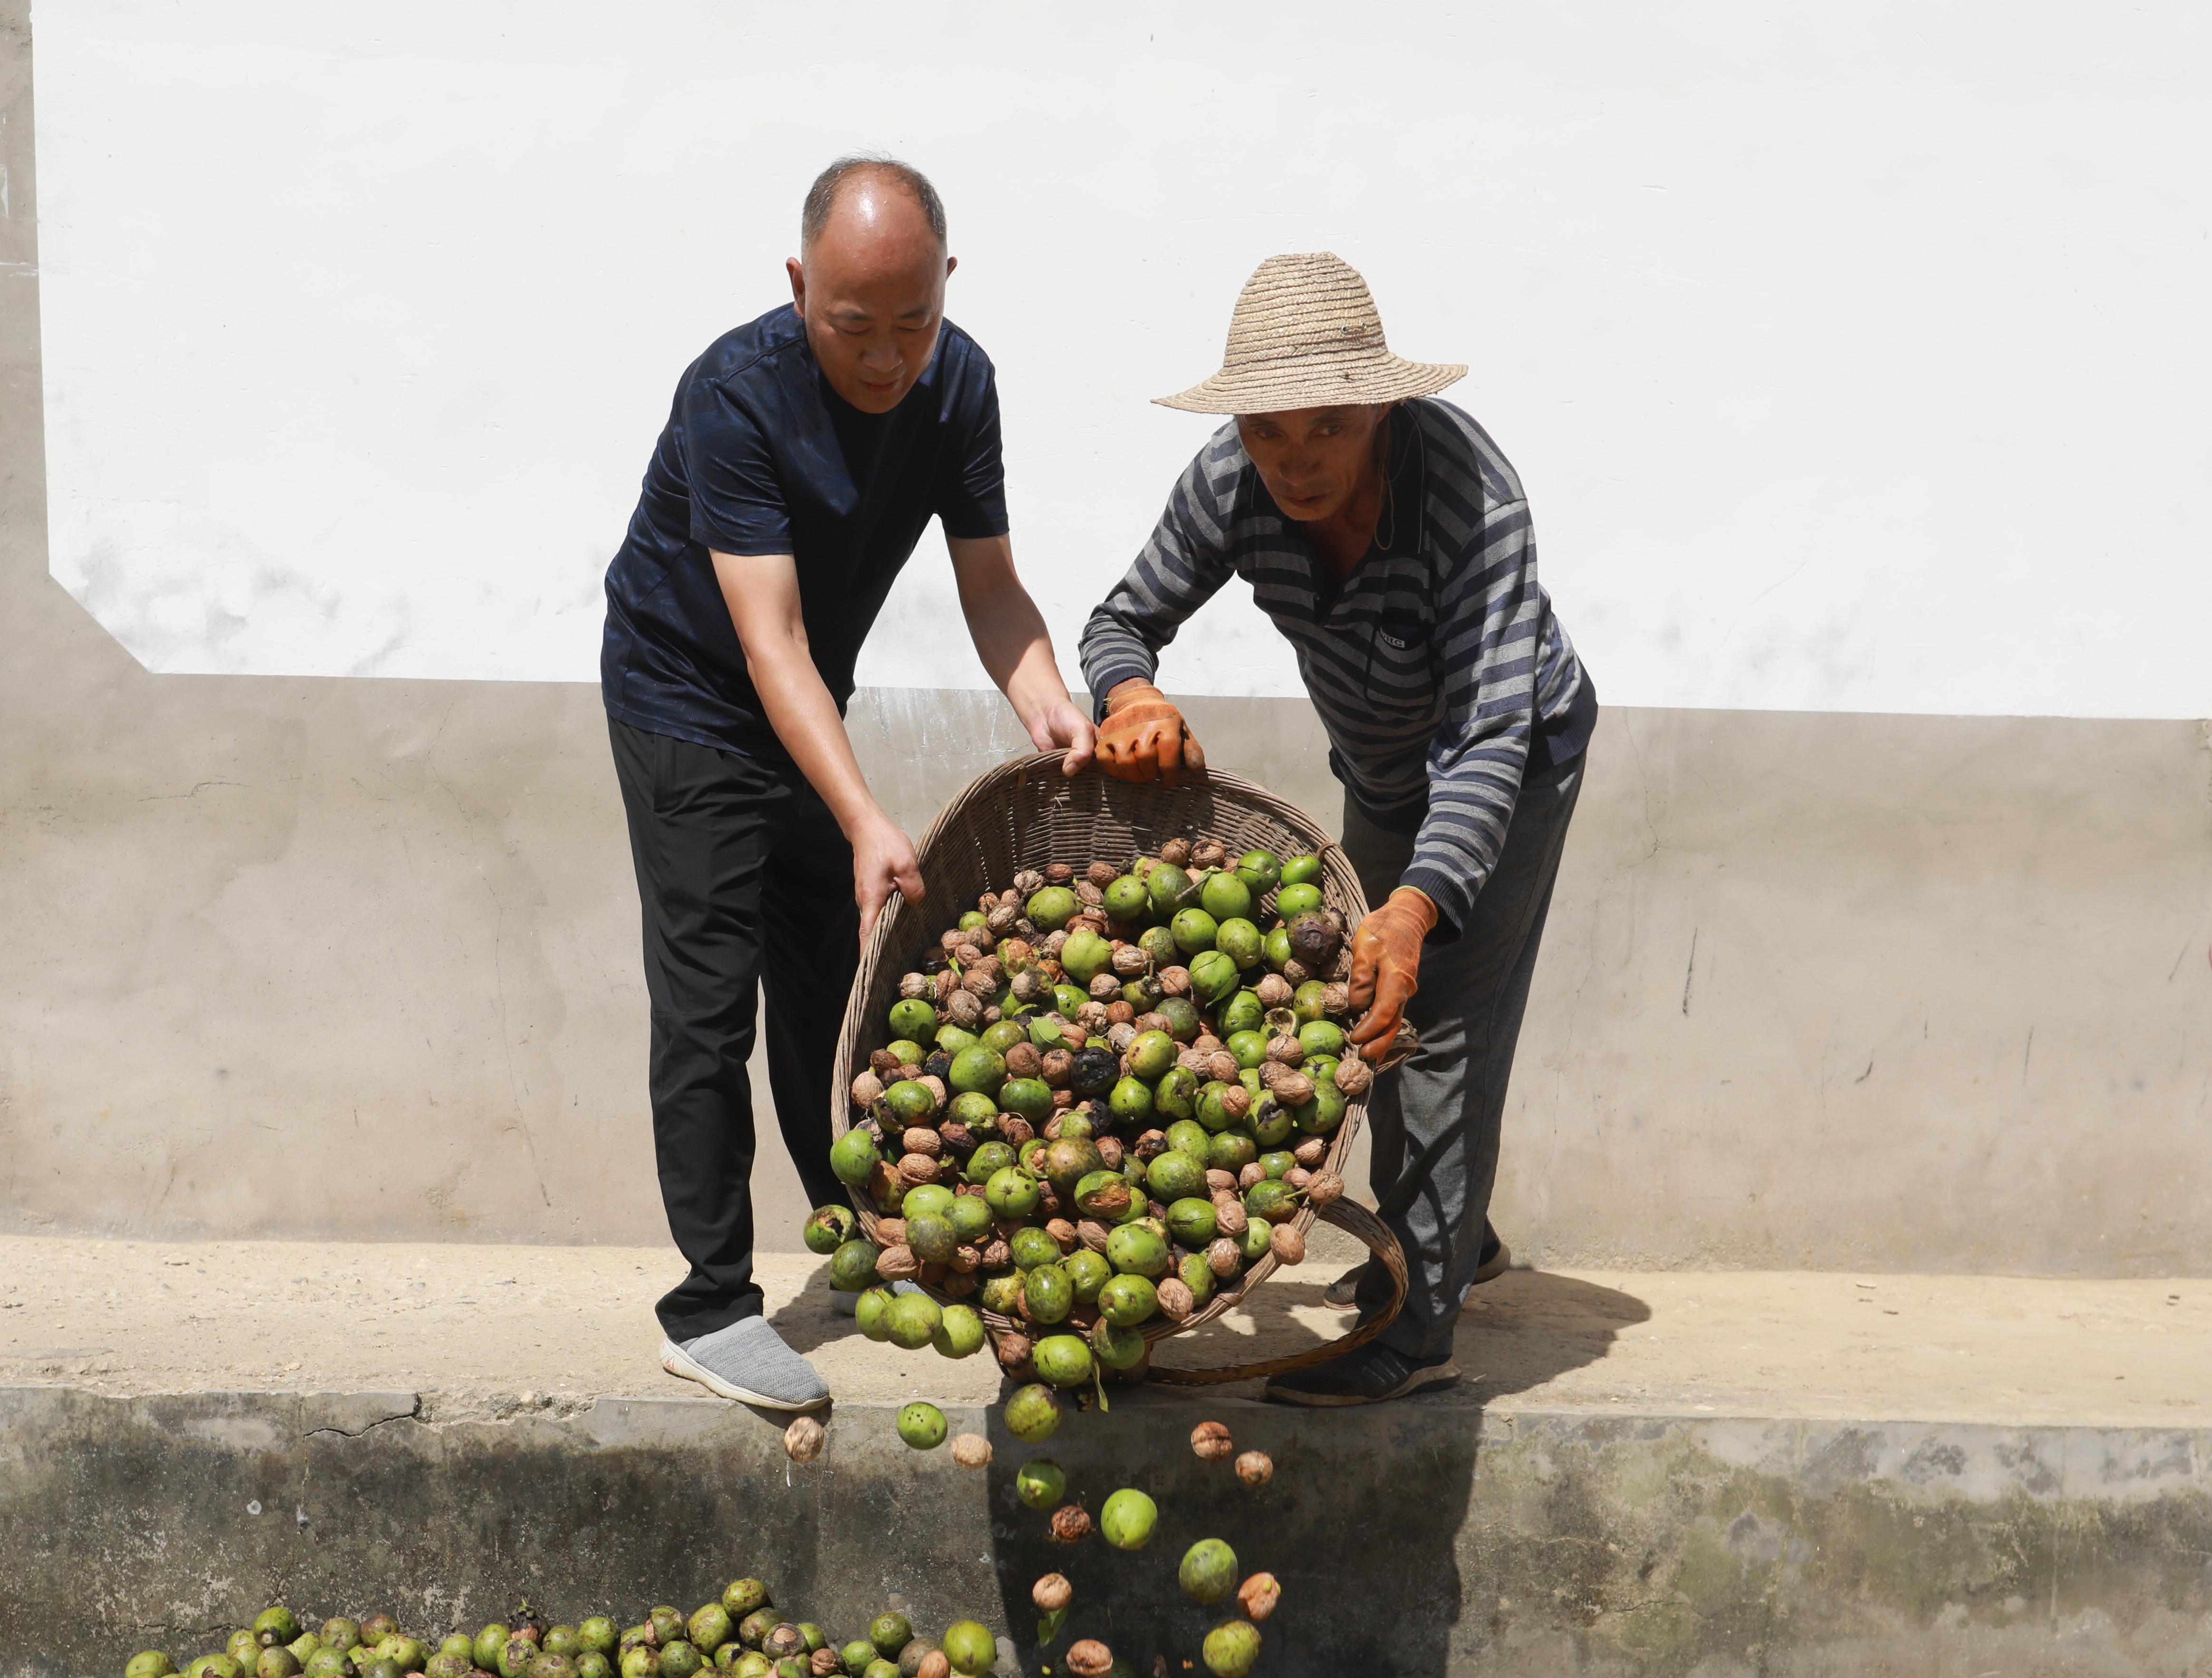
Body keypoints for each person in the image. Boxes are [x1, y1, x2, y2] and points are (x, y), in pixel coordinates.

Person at [605, 157, 1095, 1415]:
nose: (887, 357)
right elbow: (767, 643)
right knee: (710, 995)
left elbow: (991, 584)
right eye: (851, 325)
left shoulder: (960, 382)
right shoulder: (735, 396)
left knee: (838, 989)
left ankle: (865, 1232)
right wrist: (867, 813)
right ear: (797, 286)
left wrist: (1047, 703)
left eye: (912, 323)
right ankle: (709, 1304)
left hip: (806, 694)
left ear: (947, 287)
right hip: (689, 698)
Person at [1079, 253, 1597, 1406]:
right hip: (1380, 759)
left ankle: (1416, 1335)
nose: (1296, 460)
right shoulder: (1228, 482)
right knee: (1350, 1005)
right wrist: (1133, 696)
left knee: (1437, 1007)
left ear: (1381, 408)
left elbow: (1485, 738)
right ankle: (1461, 1239)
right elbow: (1121, 620)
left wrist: (1416, 906)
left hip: (1514, 750)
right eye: (1269, 430)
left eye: (1329, 427)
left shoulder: (1473, 500)